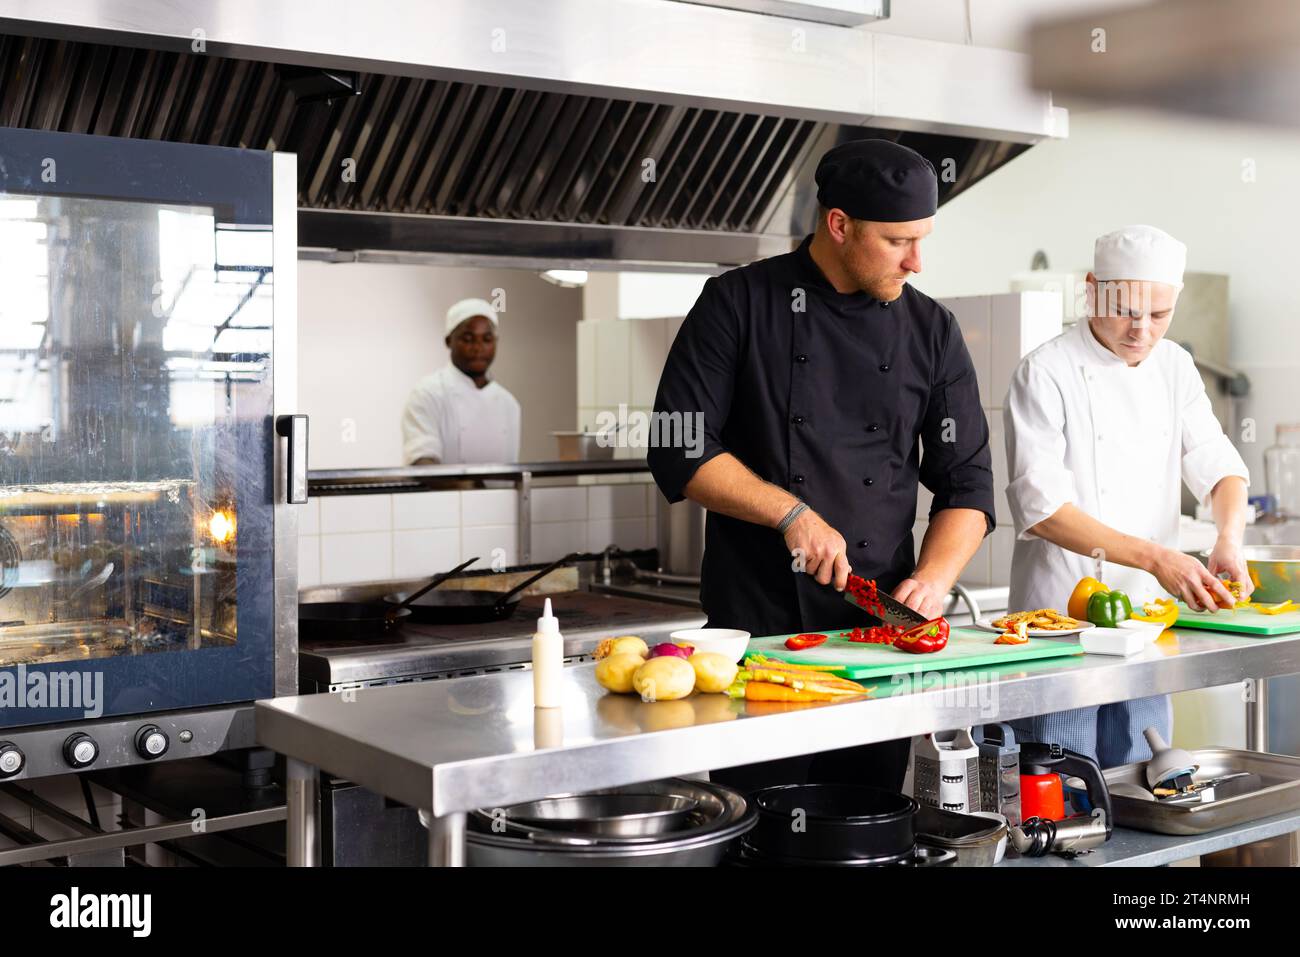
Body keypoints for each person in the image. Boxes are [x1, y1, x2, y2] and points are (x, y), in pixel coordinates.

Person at [647, 139, 994, 793]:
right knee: (763, 823)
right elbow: (679, 447)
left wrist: (932, 579)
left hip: (876, 641)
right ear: (838, 224)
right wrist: (791, 513)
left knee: (866, 824)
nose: (917, 261)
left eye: (922, 239)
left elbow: (968, 485)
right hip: (763, 641)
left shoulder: (933, 330)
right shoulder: (736, 303)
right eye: (898, 241)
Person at [1004, 225, 1251, 766]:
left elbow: (1219, 466)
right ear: (1092, 289)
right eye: (1126, 311)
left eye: (1159, 314)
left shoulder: (1175, 366)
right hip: (1061, 628)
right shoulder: (1045, 371)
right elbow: (1043, 511)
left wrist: (1229, 539)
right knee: (1063, 784)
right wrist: (1158, 558)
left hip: (1145, 624)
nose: (1142, 330)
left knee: (1147, 776)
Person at [402, 297, 520, 466]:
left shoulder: (508, 404)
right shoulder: (427, 394)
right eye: (468, 339)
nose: (478, 348)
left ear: (496, 342)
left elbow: (511, 472)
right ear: (449, 341)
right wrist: (464, 482)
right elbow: (422, 462)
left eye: (487, 339)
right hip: (444, 486)